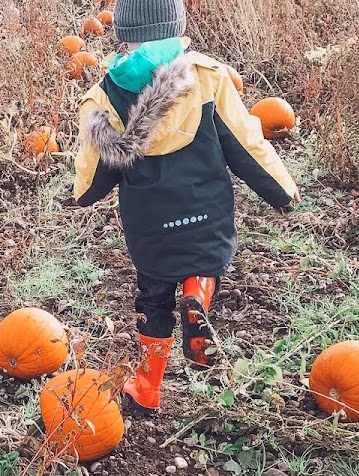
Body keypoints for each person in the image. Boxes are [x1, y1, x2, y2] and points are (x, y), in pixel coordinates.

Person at [72, 0, 300, 415]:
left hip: (149, 226)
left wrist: (80, 194)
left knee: (152, 299)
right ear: (176, 25)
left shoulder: (103, 96)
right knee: (205, 263)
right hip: (205, 212)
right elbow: (245, 143)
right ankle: (198, 292)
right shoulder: (208, 76)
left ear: (124, 31)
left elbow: (93, 175)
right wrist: (281, 189)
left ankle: (147, 389)